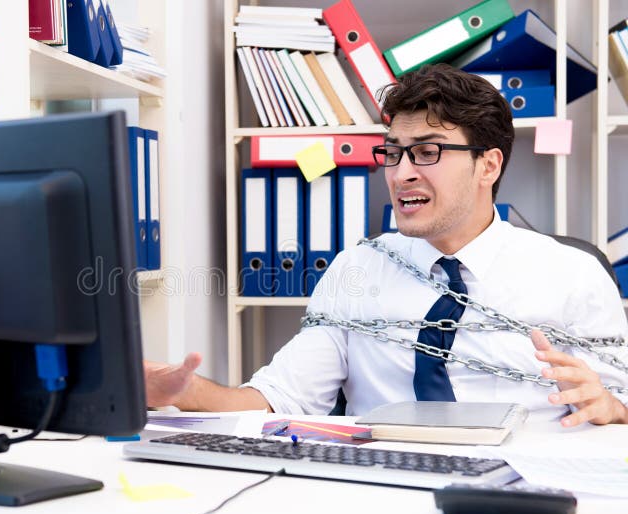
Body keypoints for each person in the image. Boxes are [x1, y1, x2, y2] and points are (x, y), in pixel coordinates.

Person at [145, 63, 628, 427]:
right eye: (393, 152)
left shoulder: (573, 274)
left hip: (523, 489)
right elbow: (277, 401)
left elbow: (618, 410)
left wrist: (612, 408)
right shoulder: (357, 269)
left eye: (427, 152)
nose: (400, 173)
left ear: (489, 166)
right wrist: (187, 391)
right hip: (381, 488)